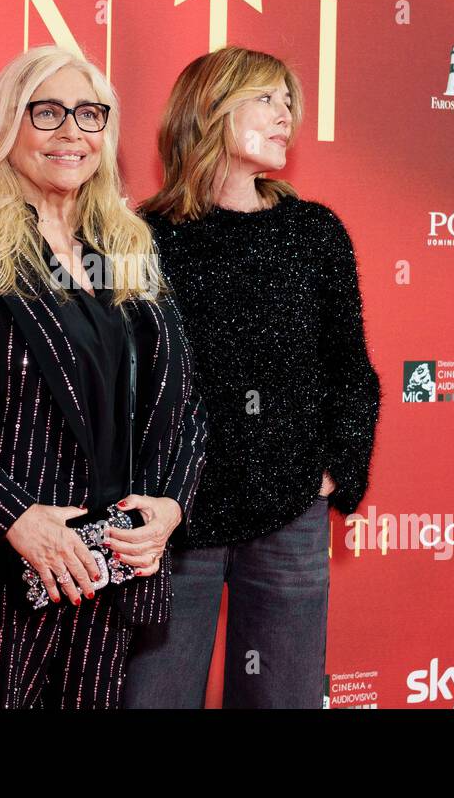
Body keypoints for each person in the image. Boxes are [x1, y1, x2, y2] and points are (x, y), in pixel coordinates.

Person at [0, 45, 208, 709]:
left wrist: (170, 506)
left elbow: (183, 404)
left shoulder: (128, 253)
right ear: (8, 126)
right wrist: (18, 521)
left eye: (89, 115)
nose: (70, 132)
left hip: (108, 569)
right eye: (47, 112)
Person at [123, 45, 382, 709]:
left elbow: (350, 368)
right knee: (154, 697)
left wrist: (332, 469)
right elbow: (121, 382)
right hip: (174, 518)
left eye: (289, 101)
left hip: (290, 511)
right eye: (267, 98)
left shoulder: (313, 232)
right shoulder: (138, 237)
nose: (286, 114)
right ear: (208, 111)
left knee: (283, 699)